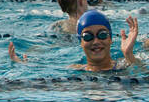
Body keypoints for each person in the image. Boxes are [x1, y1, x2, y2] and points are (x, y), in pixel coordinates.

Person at [9, 10, 141, 72]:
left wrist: (129, 54)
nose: (96, 41)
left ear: (111, 39)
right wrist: (24, 65)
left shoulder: (124, 66)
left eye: (102, 35)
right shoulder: (75, 70)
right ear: (80, 42)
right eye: (88, 36)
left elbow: (145, 73)